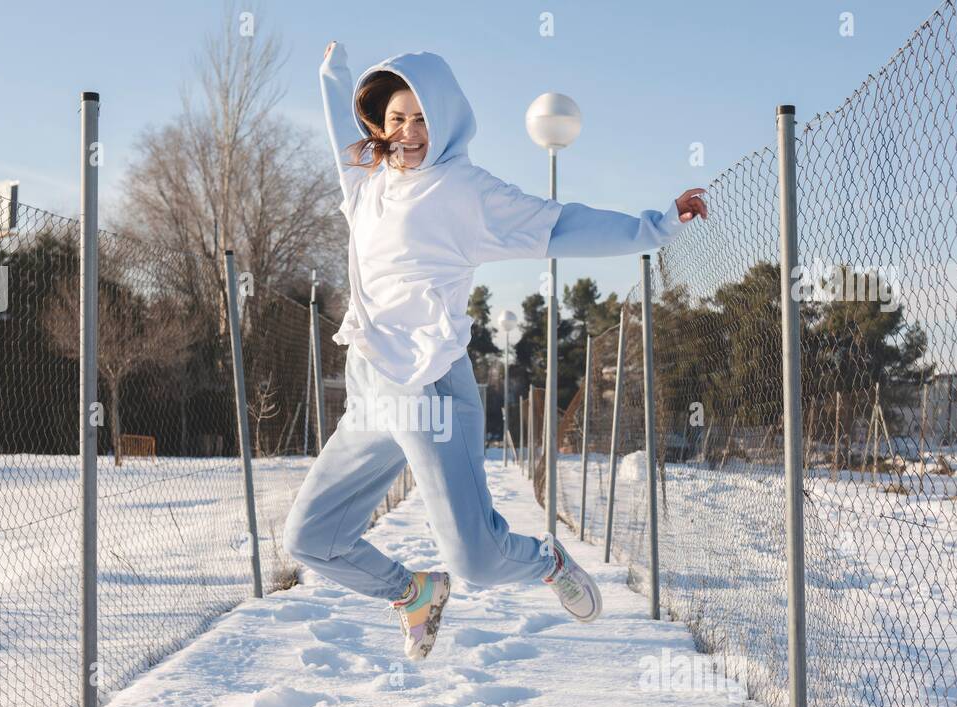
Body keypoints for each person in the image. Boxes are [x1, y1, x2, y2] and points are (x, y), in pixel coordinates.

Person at [284, 42, 708, 661]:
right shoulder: (365, 183)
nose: (408, 133)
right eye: (396, 119)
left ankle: (546, 561)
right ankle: (414, 592)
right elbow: (334, 130)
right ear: (379, 123)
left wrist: (655, 224)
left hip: (428, 386)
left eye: (422, 118)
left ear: (447, 118)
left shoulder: (464, 190)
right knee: (310, 537)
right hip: (371, 389)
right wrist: (333, 76)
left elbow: (562, 224)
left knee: (477, 561)